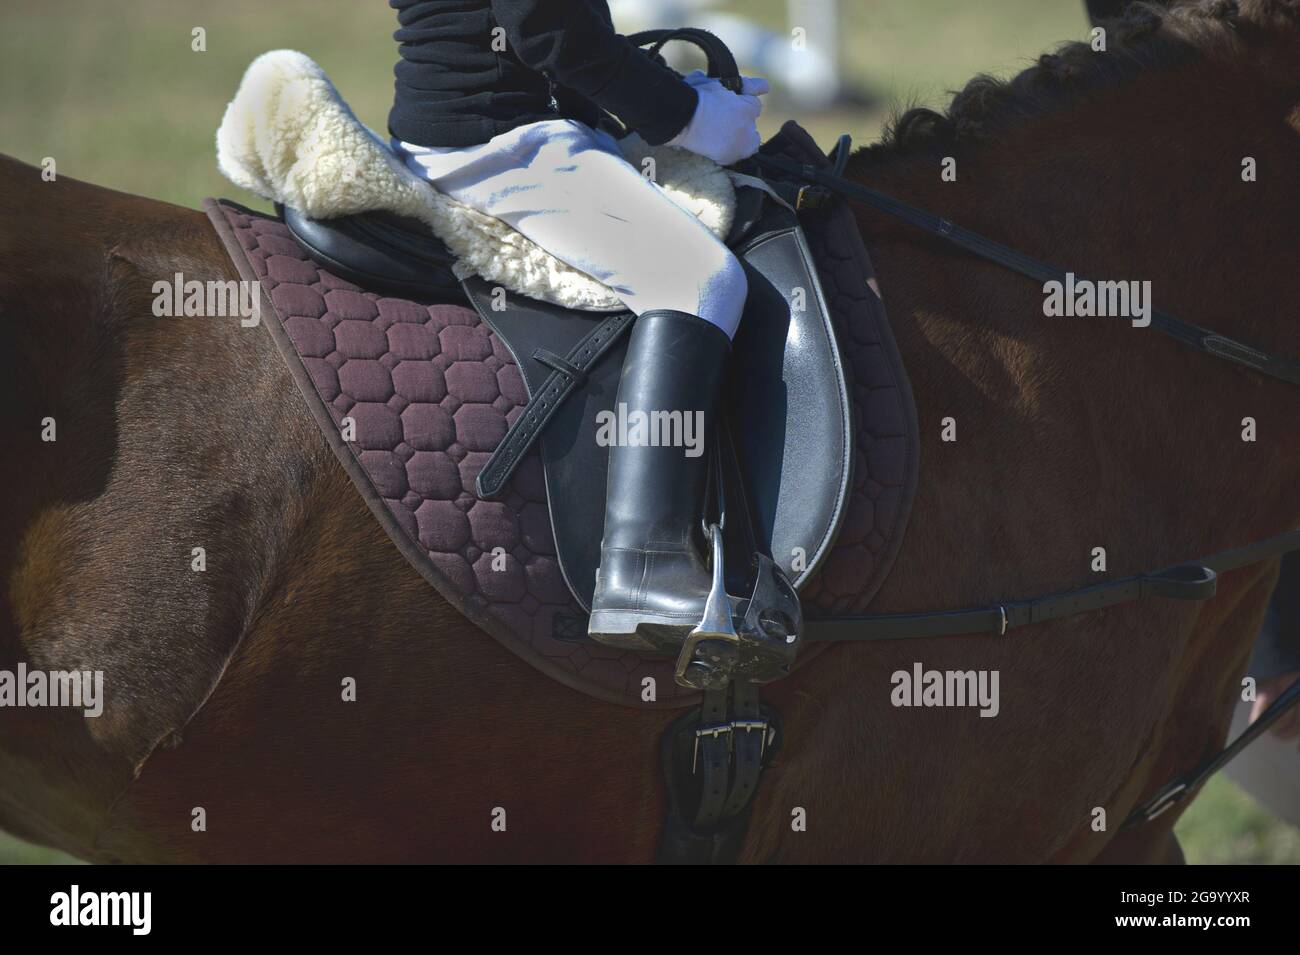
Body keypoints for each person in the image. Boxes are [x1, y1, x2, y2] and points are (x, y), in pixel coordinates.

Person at [385, 1, 769, 649]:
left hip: (499, 118)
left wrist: (664, 93)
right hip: (501, 144)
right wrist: (688, 117)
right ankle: (641, 566)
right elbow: (543, 24)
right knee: (701, 280)